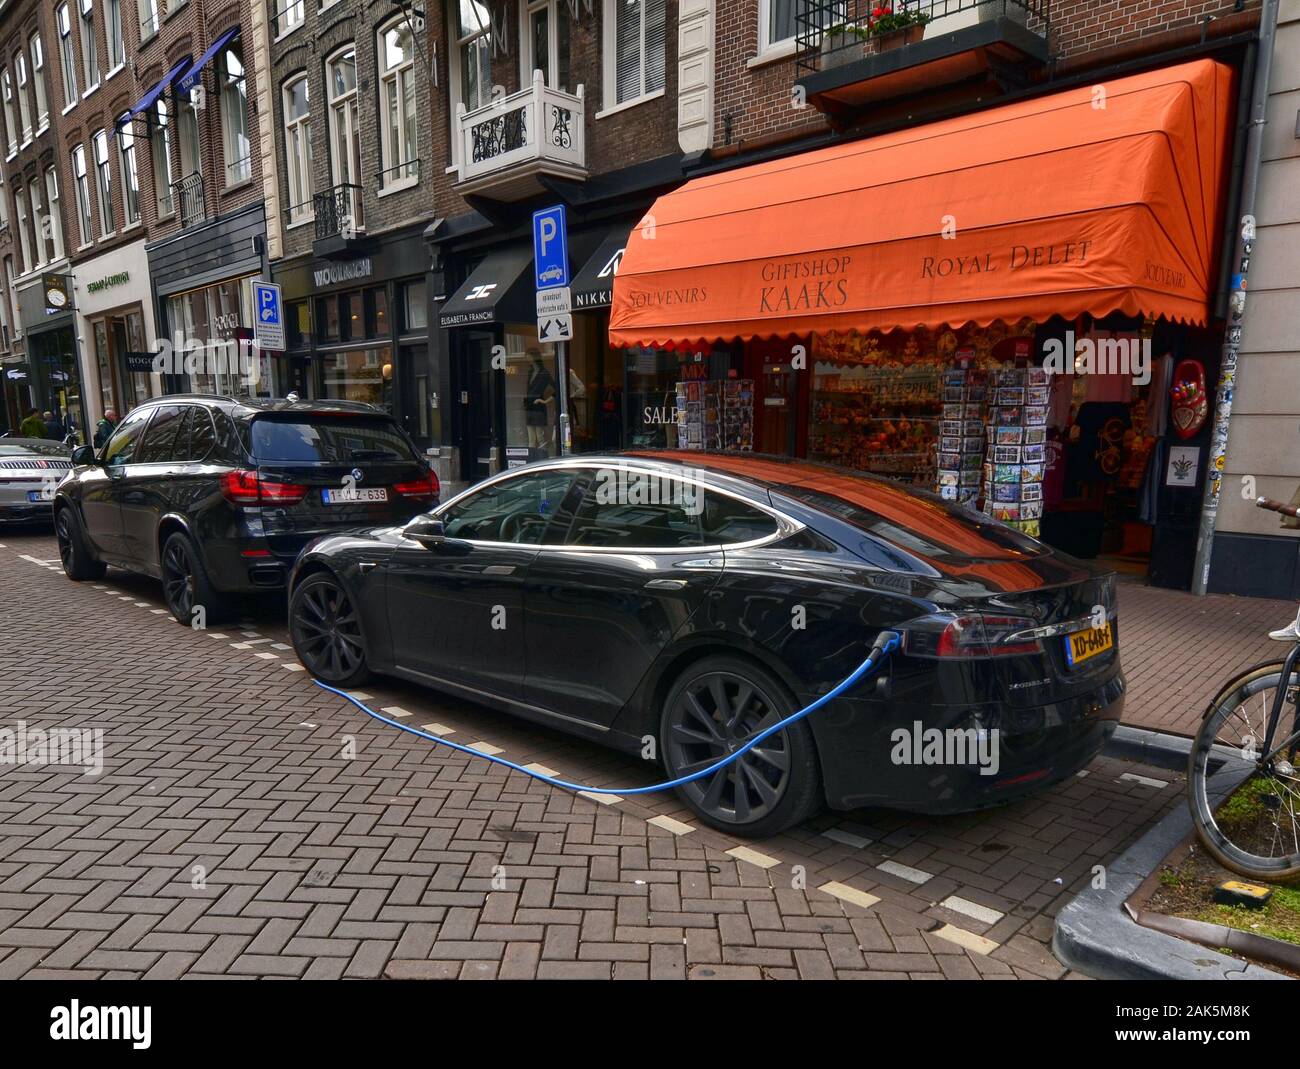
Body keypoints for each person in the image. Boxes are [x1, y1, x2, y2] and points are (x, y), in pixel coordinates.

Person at [524, 348, 556, 454]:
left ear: (534, 357)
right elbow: (529, 390)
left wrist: (545, 401)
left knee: (540, 437)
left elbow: (556, 389)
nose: (527, 358)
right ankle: (531, 460)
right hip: (529, 408)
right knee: (531, 439)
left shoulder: (544, 373)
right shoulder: (530, 372)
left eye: (528, 356)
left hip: (538, 408)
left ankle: (543, 458)